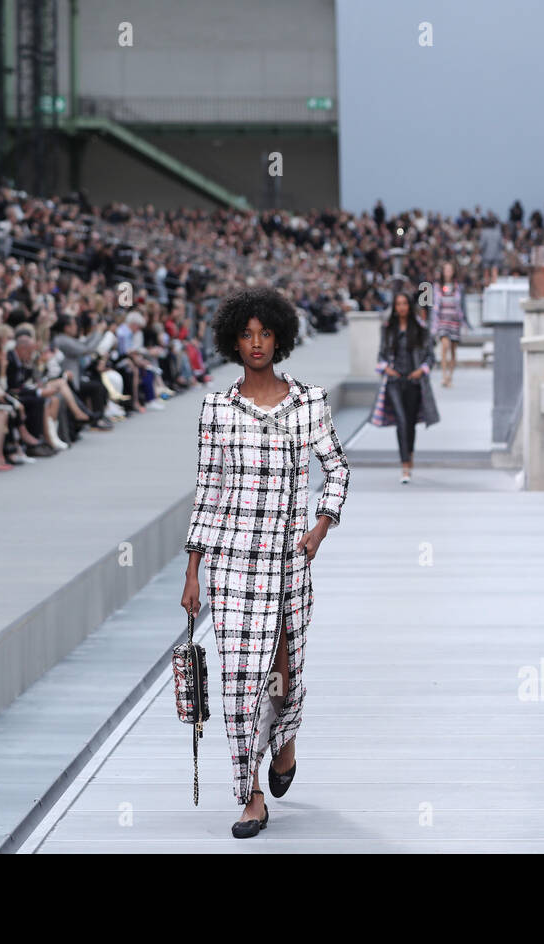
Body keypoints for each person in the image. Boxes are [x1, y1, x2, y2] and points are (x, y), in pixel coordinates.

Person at [180, 286, 349, 839]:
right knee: (238, 679)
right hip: (232, 563)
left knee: (284, 668)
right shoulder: (217, 409)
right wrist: (192, 571)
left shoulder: (309, 403)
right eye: (246, 335)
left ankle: (286, 740)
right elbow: (207, 490)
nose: (256, 343)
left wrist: (321, 525)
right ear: (234, 341)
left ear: (280, 338)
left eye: (265, 334)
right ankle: (249, 793)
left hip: (288, 560)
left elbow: (338, 470)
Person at [371, 292, 441, 482]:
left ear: (409, 306)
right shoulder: (388, 329)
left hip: (414, 381)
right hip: (394, 382)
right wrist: (387, 369)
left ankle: (409, 456)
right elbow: (381, 355)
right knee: (401, 420)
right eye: (398, 303)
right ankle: (405, 466)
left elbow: (430, 356)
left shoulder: (420, 329)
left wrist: (421, 371)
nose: (401, 307)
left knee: (409, 423)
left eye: (404, 303)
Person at [428, 260, 469, 388]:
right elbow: (434, 307)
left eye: (450, 270)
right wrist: (434, 326)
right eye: (446, 270)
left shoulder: (458, 287)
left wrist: (465, 323)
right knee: (444, 346)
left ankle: (450, 376)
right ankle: (444, 376)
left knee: (453, 350)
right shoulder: (437, 286)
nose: (448, 273)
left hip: (455, 321)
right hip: (442, 320)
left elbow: (462, 306)